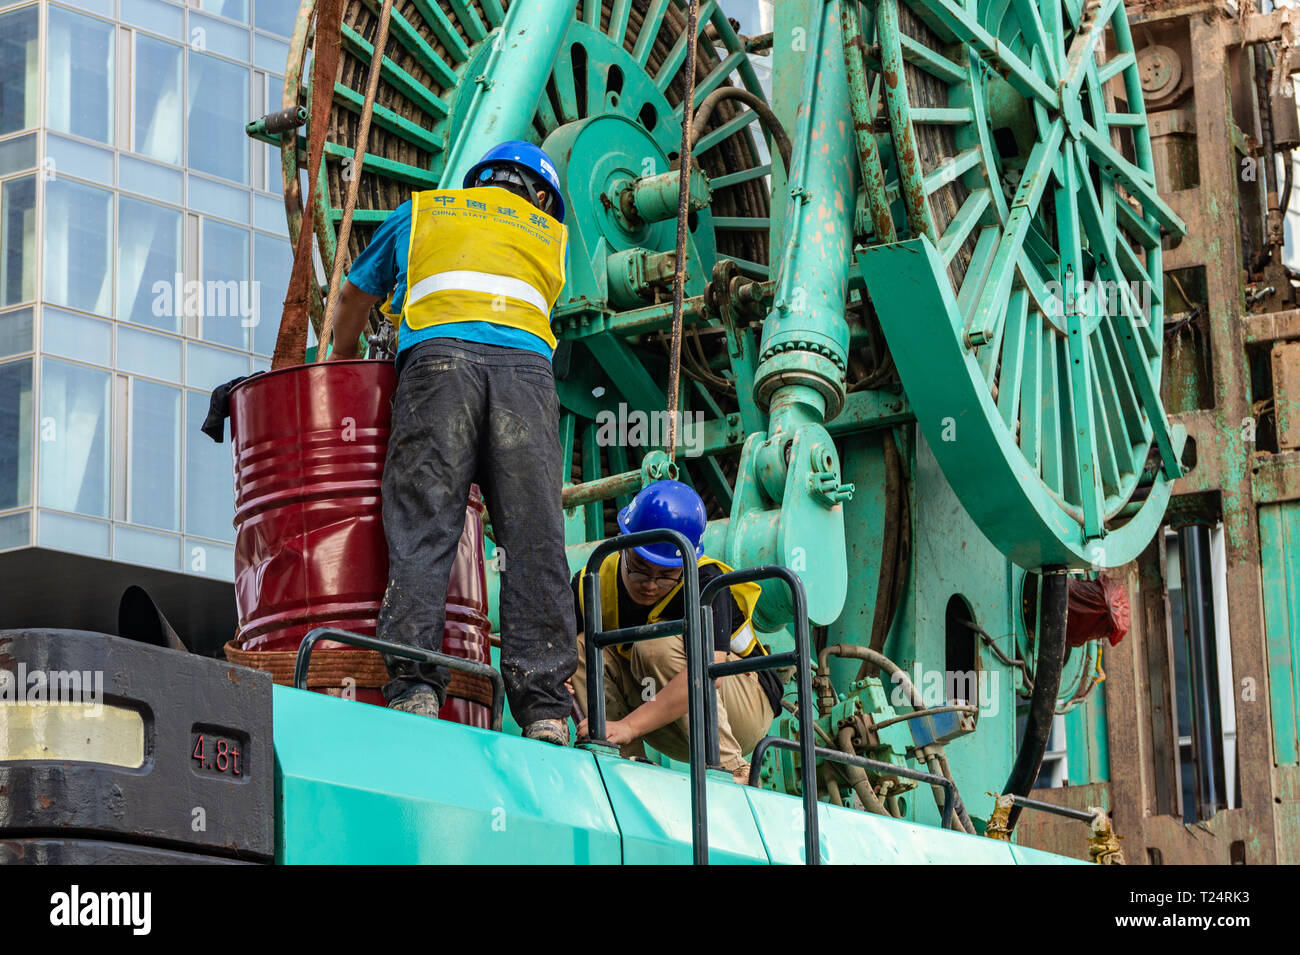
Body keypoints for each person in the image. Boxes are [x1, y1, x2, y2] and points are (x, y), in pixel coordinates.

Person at [328, 140, 575, 745]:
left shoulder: (424, 211)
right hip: (525, 376)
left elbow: (356, 293)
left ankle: (414, 687)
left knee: (424, 525)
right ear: (541, 196)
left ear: (477, 181)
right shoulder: (551, 237)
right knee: (534, 536)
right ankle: (543, 708)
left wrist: (341, 355)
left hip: (438, 371)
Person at [572, 481, 785, 781]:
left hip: (743, 708)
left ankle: (731, 769)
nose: (650, 584)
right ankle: (625, 764)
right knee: (579, 649)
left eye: (666, 575)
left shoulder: (707, 582)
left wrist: (630, 725)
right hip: (668, 718)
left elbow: (705, 678)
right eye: (641, 568)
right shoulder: (590, 583)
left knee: (653, 647)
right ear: (622, 543)